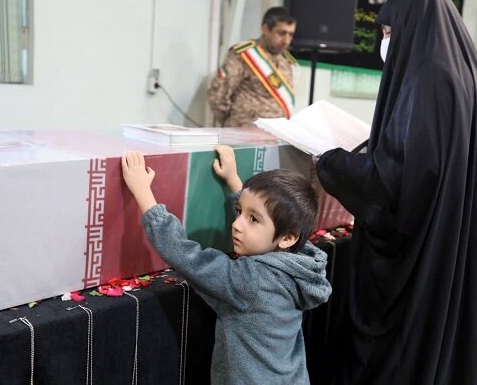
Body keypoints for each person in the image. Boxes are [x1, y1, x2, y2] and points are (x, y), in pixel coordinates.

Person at [314, 0, 477, 385]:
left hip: (412, 260)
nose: (384, 42)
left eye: (389, 32)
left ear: (413, 26)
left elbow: (395, 191)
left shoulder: (428, 81)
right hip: (444, 239)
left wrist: (332, 163)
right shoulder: (462, 75)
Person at [121, 145, 331, 384]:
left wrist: (142, 192)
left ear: (287, 238)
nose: (237, 224)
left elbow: (184, 254)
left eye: (252, 219)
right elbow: (265, 217)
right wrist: (234, 182)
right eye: (239, 211)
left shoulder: (250, 281)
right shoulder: (298, 264)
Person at [208, 6, 297, 127]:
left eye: (291, 35)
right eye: (281, 33)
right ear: (265, 29)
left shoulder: (287, 61)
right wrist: (237, 120)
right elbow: (219, 95)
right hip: (244, 133)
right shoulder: (243, 54)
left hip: (276, 136)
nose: (286, 40)